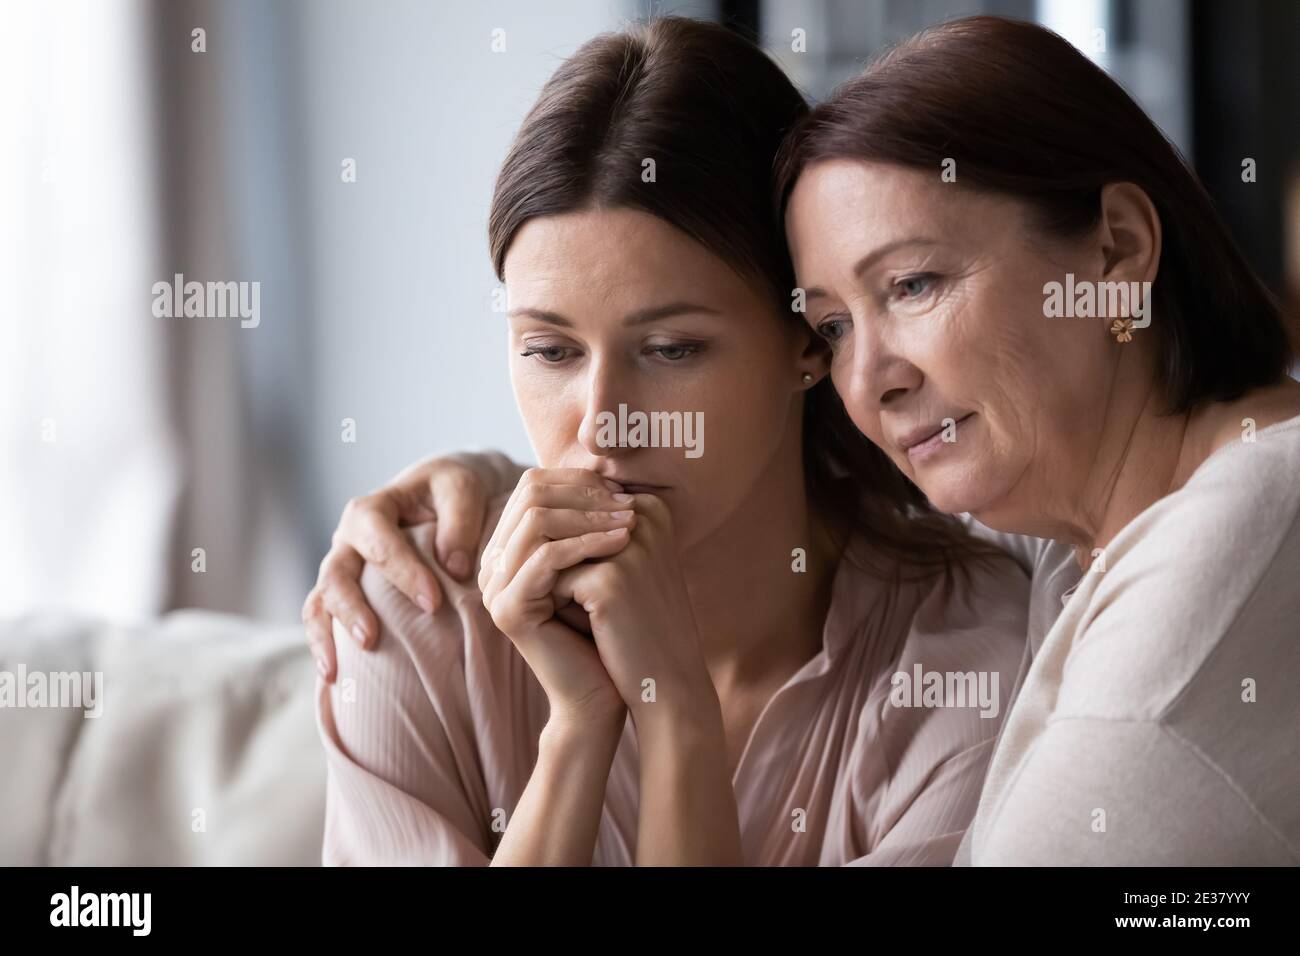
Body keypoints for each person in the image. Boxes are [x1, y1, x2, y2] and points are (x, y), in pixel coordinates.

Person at [312, 17, 1029, 866]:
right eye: (550, 351)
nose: (602, 422)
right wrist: (579, 731)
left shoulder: (971, 659)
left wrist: (676, 720)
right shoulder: (411, 619)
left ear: (810, 339)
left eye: (672, 350)